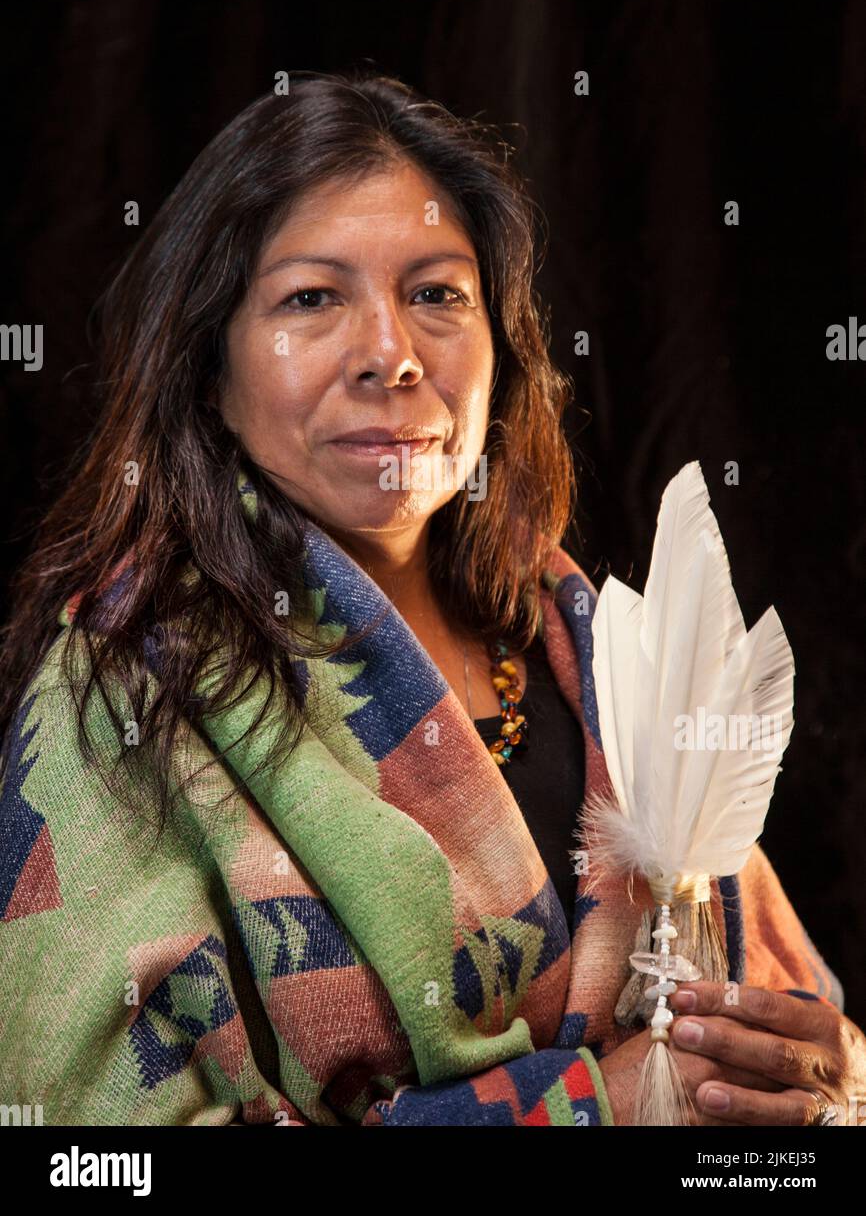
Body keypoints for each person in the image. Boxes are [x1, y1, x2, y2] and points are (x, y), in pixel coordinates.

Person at [0, 70, 861, 1127]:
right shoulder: (127, 694)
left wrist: (826, 1076)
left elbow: (780, 1021)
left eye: (437, 294)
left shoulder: (584, 638)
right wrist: (603, 1106)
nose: (391, 356)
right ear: (208, 369)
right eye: (311, 298)